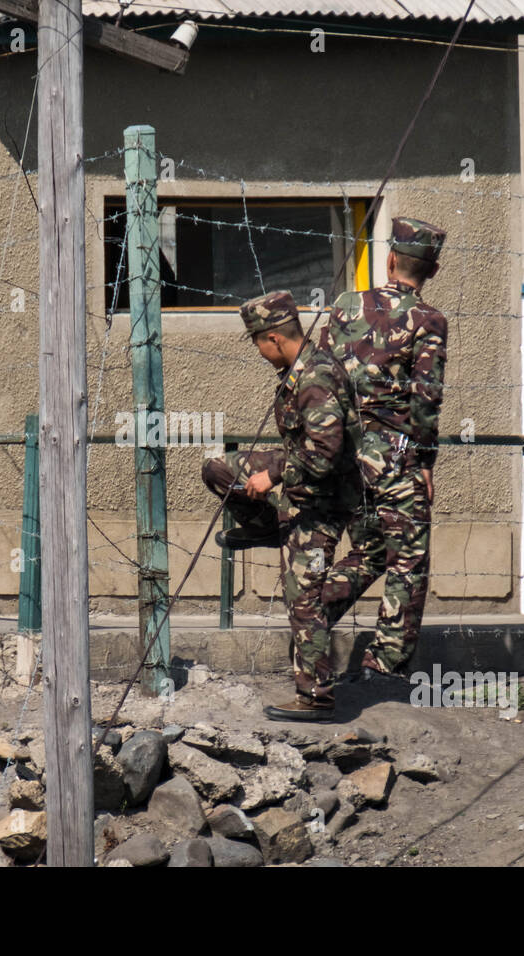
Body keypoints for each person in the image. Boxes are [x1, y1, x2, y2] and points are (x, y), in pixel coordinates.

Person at [201, 290, 359, 721]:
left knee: (303, 593)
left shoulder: (315, 377)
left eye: (256, 341)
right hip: (301, 479)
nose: (256, 350)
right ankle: (268, 527)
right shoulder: (299, 371)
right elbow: (305, 446)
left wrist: (273, 475)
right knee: (220, 469)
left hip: (323, 499)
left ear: (272, 338)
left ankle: (316, 697)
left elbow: (325, 454)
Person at [320, 217, 447, 679]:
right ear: (431, 271)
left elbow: (321, 378)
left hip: (344, 456)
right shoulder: (429, 320)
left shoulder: (343, 307)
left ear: (390, 259)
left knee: (370, 550)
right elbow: (426, 399)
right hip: (396, 459)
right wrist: (425, 462)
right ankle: (383, 665)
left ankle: (311, 616)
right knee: (407, 559)